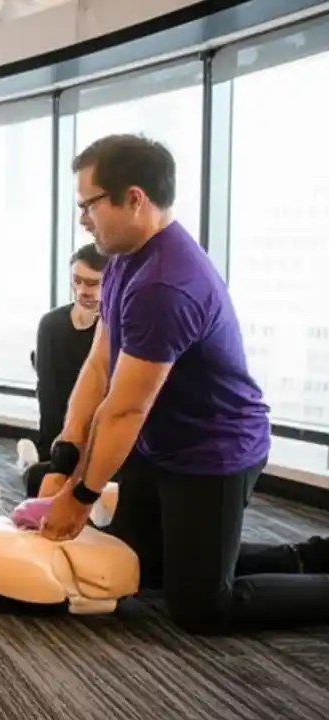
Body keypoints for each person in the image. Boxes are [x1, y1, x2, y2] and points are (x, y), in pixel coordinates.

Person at [41, 134, 329, 634]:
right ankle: (303, 556)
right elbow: (99, 366)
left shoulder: (165, 284)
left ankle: (305, 561)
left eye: (88, 204)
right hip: (162, 443)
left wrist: (81, 496)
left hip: (213, 450)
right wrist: (66, 456)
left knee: (201, 606)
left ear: (133, 199)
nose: (82, 218)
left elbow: (125, 409)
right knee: (138, 568)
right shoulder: (123, 259)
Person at [19, 243, 107, 496]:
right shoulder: (51, 324)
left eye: (92, 283)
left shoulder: (115, 329)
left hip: (100, 435)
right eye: (76, 282)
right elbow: (48, 394)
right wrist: (55, 456)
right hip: (62, 428)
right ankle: (37, 458)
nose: (82, 291)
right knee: (39, 481)